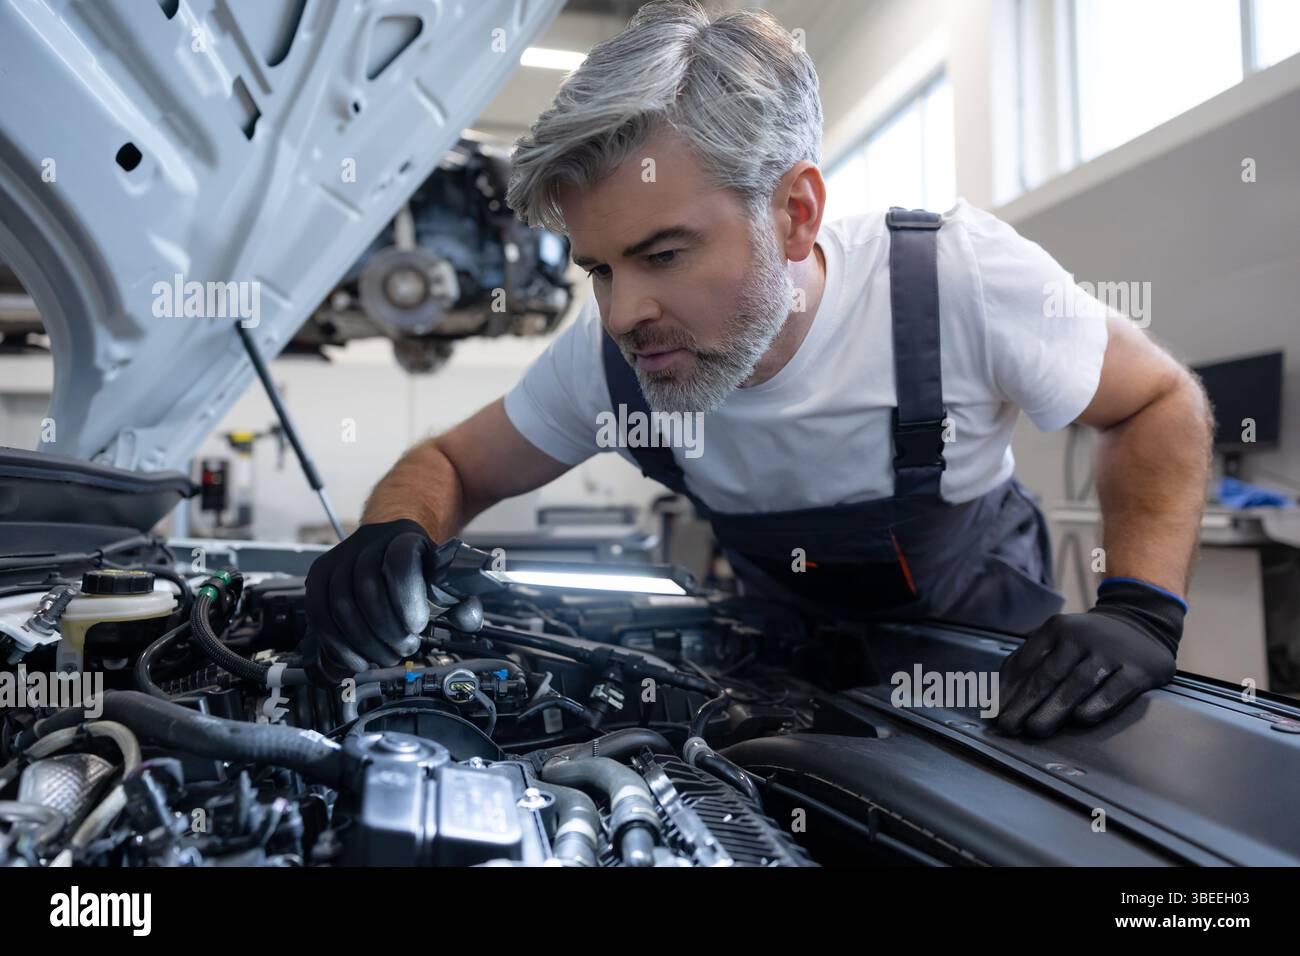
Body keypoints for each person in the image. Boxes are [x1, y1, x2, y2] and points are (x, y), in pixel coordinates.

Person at [302, 1, 1212, 738]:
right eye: (599, 269)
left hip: (994, 671)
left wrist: (1139, 609)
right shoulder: (606, 362)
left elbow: (1157, 403)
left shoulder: (957, 284)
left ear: (795, 214)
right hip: (783, 674)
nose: (621, 316)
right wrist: (389, 536)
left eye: (663, 255)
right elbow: (452, 466)